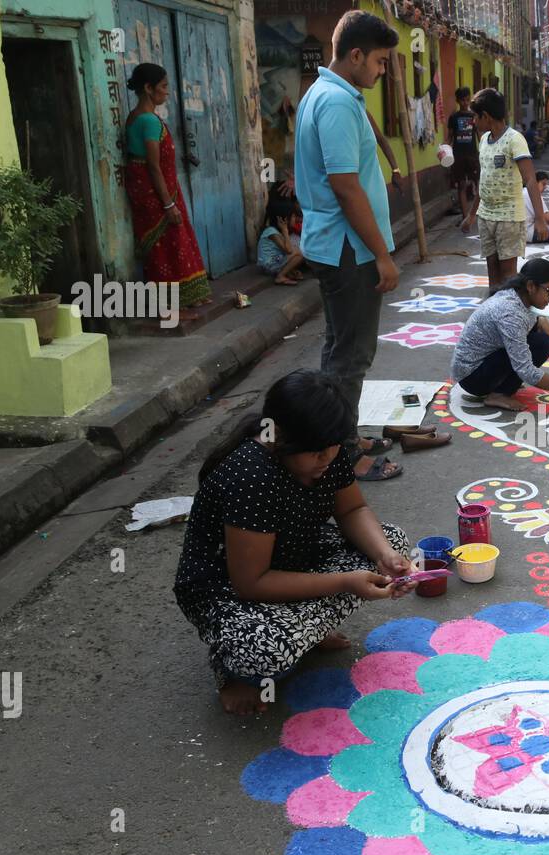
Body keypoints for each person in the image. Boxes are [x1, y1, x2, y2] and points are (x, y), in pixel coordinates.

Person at [174, 370, 416, 716]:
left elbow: (353, 510)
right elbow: (250, 583)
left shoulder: (324, 451)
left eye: (333, 447)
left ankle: (304, 630)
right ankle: (233, 667)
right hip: (225, 588)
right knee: (267, 651)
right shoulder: (251, 476)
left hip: (292, 554)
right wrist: (346, 582)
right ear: (280, 439)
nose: (328, 458)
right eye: (316, 451)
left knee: (390, 541)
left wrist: (385, 555)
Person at [295, 10, 404, 481]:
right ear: (355, 54)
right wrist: (381, 254)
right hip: (348, 249)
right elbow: (346, 187)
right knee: (351, 355)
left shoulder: (328, 94)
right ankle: (341, 455)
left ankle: (341, 434)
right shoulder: (337, 103)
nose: (382, 71)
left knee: (340, 348)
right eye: (380, 61)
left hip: (337, 244)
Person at [450, 258, 549, 412]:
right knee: (541, 344)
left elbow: (542, 332)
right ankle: (498, 394)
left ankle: (503, 386)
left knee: (542, 341)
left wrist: (539, 319)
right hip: (473, 378)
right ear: (531, 286)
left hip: (478, 367)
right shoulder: (510, 313)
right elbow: (526, 370)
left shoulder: (514, 296)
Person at [123, 63, 211, 308]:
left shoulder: (135, 117)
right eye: (163, 87)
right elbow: (153, 165)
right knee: (165, 249)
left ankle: (183, 301)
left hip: (154, 192)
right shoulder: (149, 121)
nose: (167, 92)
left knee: (169, 247)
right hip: (156, 195)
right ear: (148, 88)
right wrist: (168, 203)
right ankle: (170, 308)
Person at [466, 88, 549, 292]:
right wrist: (471, 215)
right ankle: (494, 312)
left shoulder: (514, 139)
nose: (473, 122)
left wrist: (540, 219)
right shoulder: (484, 140)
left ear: (485, 116)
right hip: (486, 217)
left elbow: (530, 179)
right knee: (492, 270)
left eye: (476, 117)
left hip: (509, 218)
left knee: (508, 275)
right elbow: (483, 179)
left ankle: (511, 315)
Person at [446, 86, 480, 228]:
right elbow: (450, 137)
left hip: (472, 154)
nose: (465, 103)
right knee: (461, 186)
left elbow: (478, 134)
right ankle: (465, 217)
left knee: (478, 185)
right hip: (458, 155)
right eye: (463, 100)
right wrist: (444, 149)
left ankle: (480, 214)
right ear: (458, 101)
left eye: (467, 100)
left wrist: (484, 149)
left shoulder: (474, 117)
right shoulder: (453, 117)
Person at [257, 196, 305, 285]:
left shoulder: (276, 231)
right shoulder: (271, 232)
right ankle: (280, 276)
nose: (295, 219)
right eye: (293, 216)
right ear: (285, 219)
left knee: (298, 250)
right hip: (269, 265)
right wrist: (285, 231)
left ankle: (288, 272)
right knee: (300, 253)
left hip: (274, 262)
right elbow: (289, 250)